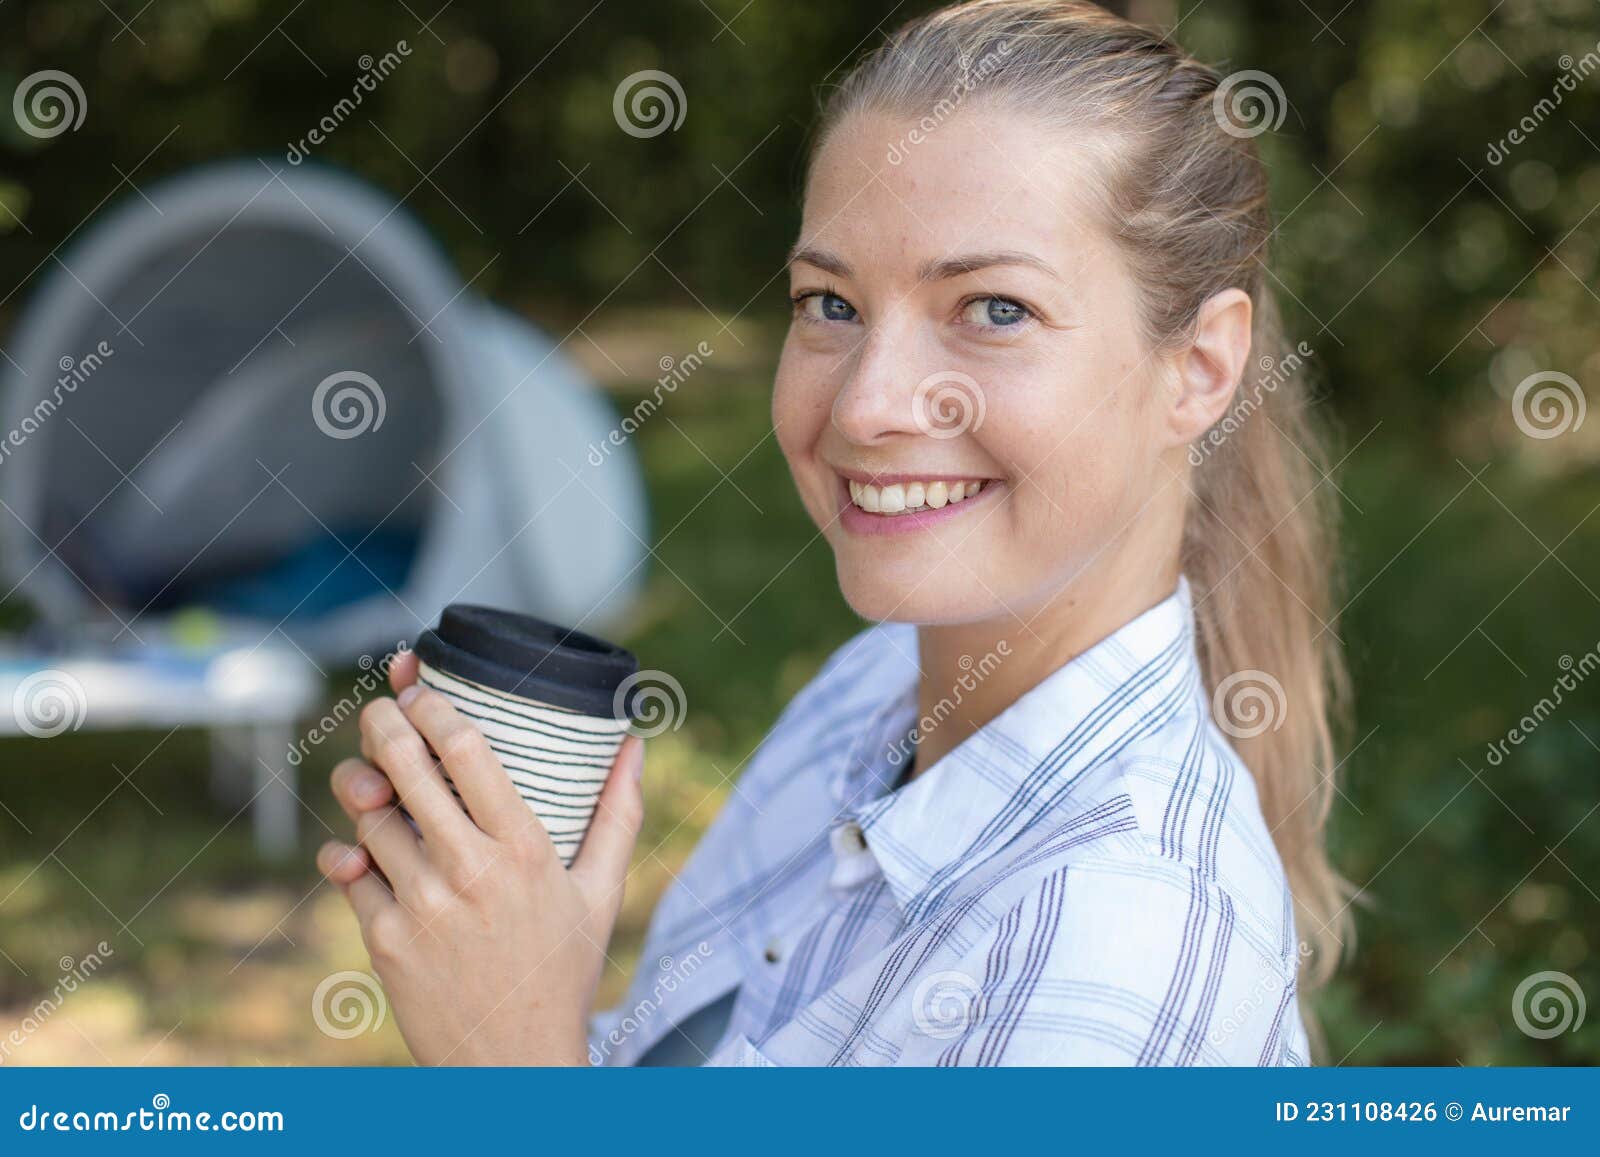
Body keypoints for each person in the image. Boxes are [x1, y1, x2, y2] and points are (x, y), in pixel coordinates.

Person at [316, 0, 1351, 1066]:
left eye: (994, 309)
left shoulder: (1120, 956)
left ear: (1201, 368)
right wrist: (509, 959)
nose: (865, 406)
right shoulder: (868, 691)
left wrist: (509, 1057)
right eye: (831, 304)